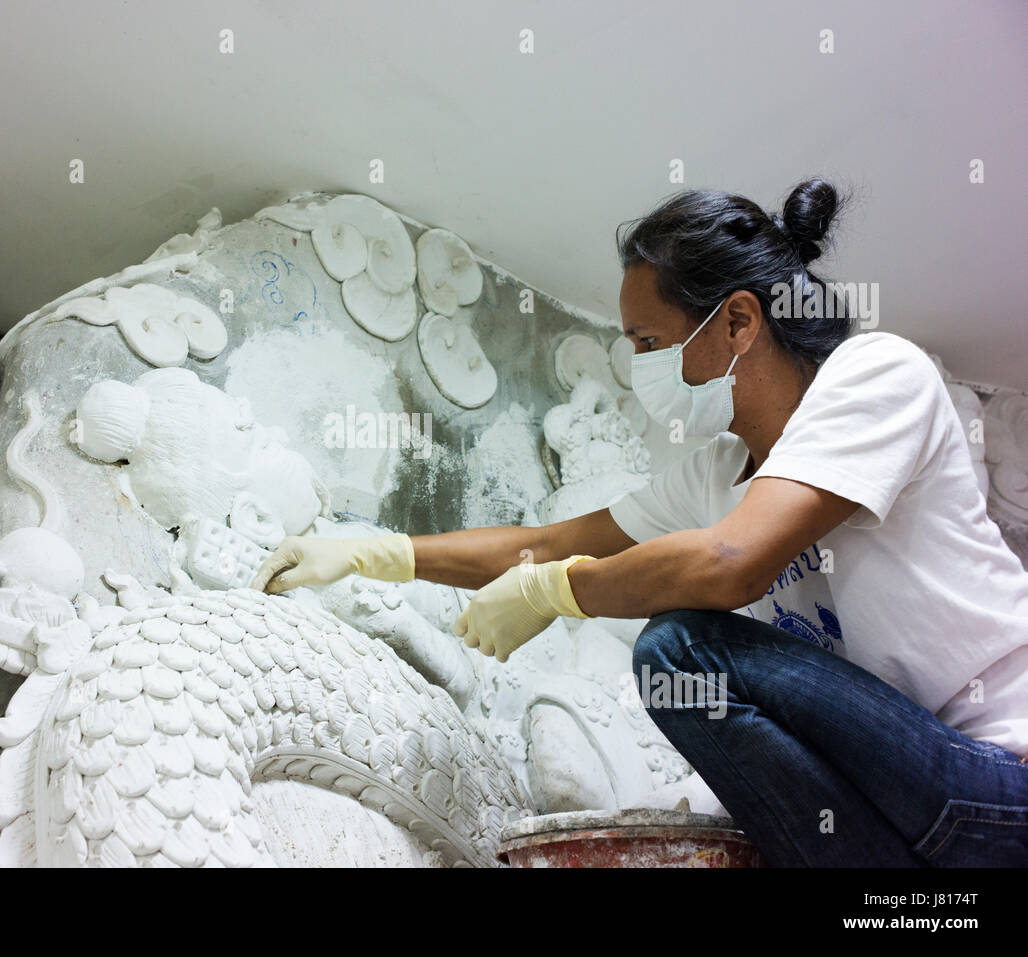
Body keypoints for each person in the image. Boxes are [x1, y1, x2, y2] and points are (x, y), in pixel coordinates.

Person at [250, 178, 1028, 867]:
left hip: (999, 777)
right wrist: (374, 553)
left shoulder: (876, 376)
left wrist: (557, 592)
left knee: (679, 647)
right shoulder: (714, 474)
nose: (639, 367)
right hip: (900, 816)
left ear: (739, 321)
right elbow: (547, 542)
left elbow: (731, 561)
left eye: (650, 343)